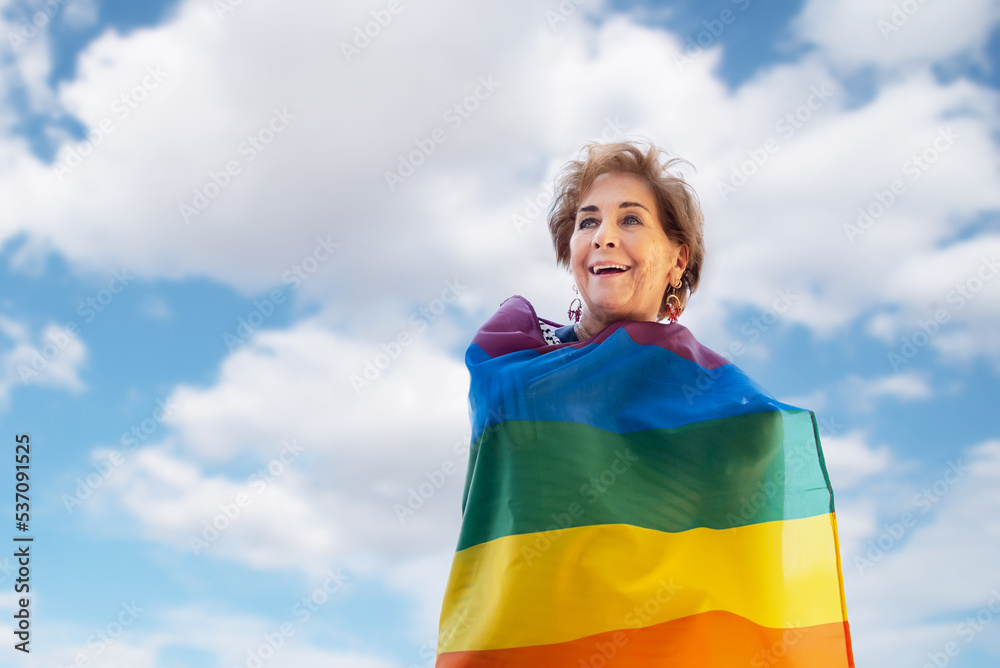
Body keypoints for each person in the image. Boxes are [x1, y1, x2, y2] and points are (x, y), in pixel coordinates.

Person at [434, 140, 854, 667]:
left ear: (678, 258)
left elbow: (747, 549)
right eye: (588, 223)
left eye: (630, 219)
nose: (604, 235)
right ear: (573, 253)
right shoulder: (515, 367)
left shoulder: (712, 397)